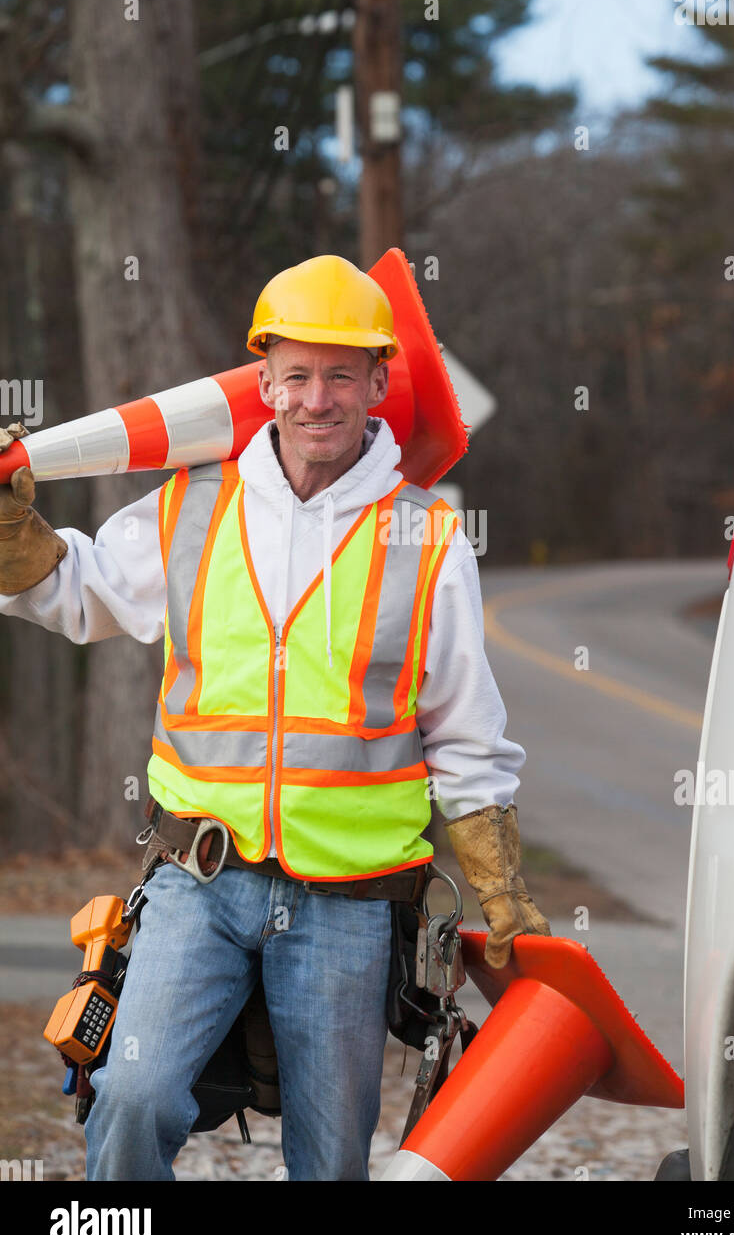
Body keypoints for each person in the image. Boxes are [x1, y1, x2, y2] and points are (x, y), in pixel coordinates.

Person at [0, 253, 550, 1181]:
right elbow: (83, 592)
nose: (318, 398)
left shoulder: (429, 540)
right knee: (129, 1097)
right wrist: (13, 537)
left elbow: (464, 730)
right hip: (197, 882)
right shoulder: (191, 503)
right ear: (263, 381)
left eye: (342, 375)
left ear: (380, 382)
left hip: (352, 904)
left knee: (331, 1161)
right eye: (297, 374)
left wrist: (498, 885)